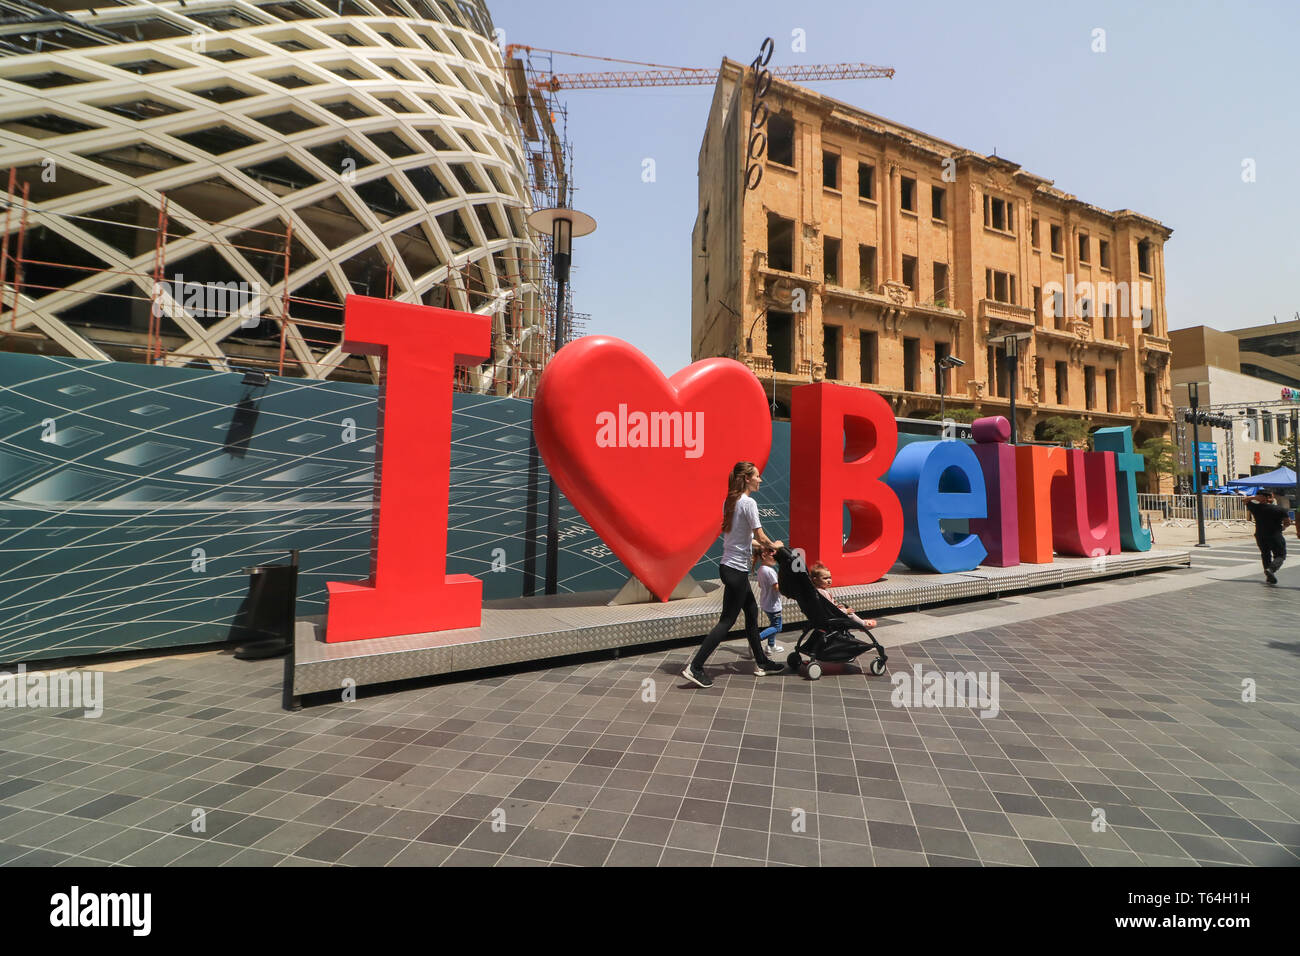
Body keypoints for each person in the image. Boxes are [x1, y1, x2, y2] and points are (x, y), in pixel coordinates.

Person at [682, 461, 786, 688]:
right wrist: (774, 545)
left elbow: (744, 536)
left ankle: (761, 662)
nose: (761, 480)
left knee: (751, 612)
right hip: (736, 570)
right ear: (747, 479)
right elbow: (760, 533)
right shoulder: (749, 502)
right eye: (757, 476)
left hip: (729, 567)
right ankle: (695, 667)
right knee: (727, 621)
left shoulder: (731, 501)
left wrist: (758, 547)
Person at [810, 563, 877, 631]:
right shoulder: (822, 593)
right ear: (815, 579)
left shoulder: (817, 591)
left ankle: (861, 622)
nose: (829, 580)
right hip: (831, 616)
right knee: (850, 614)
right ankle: (863, 624)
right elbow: (830, 608)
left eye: (830, 577)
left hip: (824, 616)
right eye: (825, 578)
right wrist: (845, 611)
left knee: (844, 607)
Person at [1245, 490, 1291, 584]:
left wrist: (1255, 497)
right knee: (1280, 555)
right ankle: (1271, 569)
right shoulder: (1279, 509)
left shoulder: (1255, 507)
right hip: (1275, 535)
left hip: (1260, 535)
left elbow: (1245, 500)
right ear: (1269, 497)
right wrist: (1283, 527)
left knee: (1265, 555)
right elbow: (1287, 522)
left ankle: (1269, 576)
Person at [754, 544, 784, 654]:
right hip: (773, 605)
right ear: (764, 555)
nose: (775, 556)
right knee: (777, 627)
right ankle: (756, 640)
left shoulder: (761, 570)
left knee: (773, 624)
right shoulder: (770, 571)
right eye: (772, 553)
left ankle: (771, 646)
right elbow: (776, 587)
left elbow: (760, 585)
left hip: (765, 603)